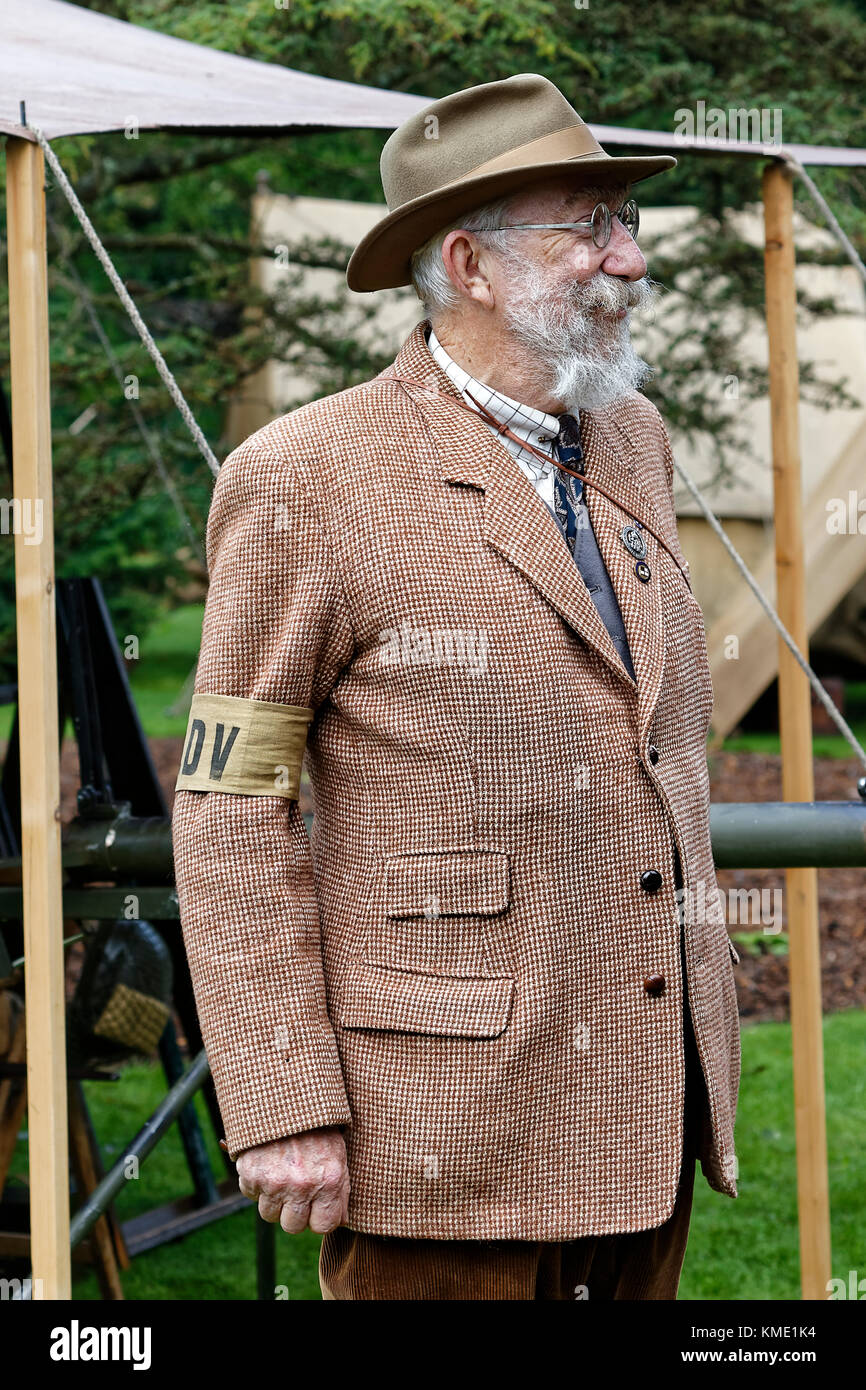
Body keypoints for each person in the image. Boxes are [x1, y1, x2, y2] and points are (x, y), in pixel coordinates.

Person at [171, 72, 741, 1301]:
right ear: (471, 266)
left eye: (622, 223)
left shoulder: (629, 433)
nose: (629, 259)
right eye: (586, 227)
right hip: (441, 1136)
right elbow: (229, 802)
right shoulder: (302, 478)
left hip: (648, 1108)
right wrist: (281, 1098)